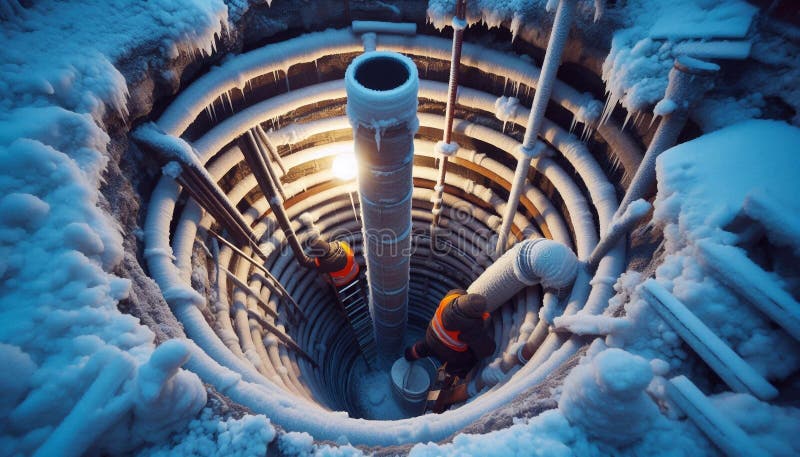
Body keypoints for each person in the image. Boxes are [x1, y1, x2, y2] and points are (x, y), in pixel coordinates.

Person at [404, 289, 495, 378]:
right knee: (463, 362)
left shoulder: (451, 296)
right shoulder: (470, 328)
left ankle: (411, 354)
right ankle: (448, 375)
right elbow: (486, 350)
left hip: (431, 336)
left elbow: (461, 291)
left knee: (423, 348)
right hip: (448, 352)